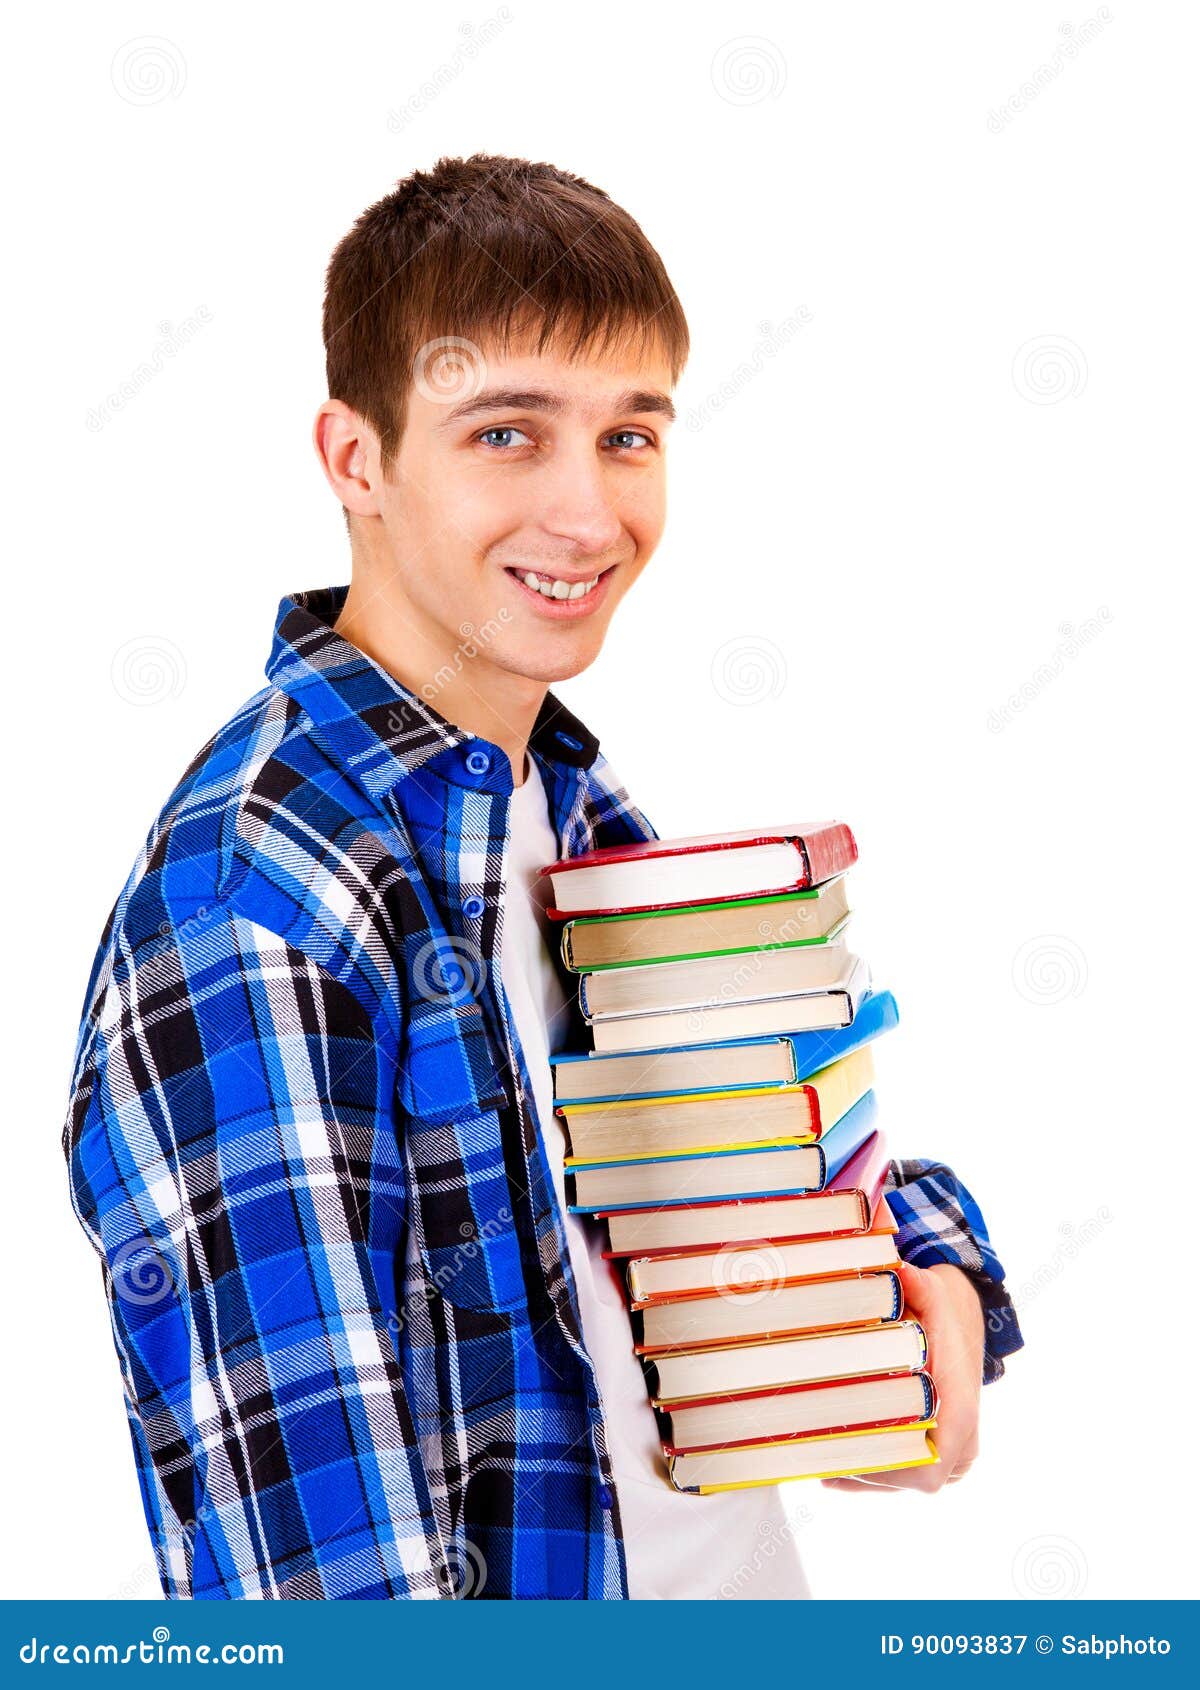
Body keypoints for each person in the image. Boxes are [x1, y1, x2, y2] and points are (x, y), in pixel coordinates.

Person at [61, 153, 1023, 1601]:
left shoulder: (568, 806)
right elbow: (332, 1595)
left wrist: (933, 1280)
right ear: (357, 460)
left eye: (629, 435)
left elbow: (750, 1168)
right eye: (506, 433)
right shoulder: (256, 899)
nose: (587, 514)